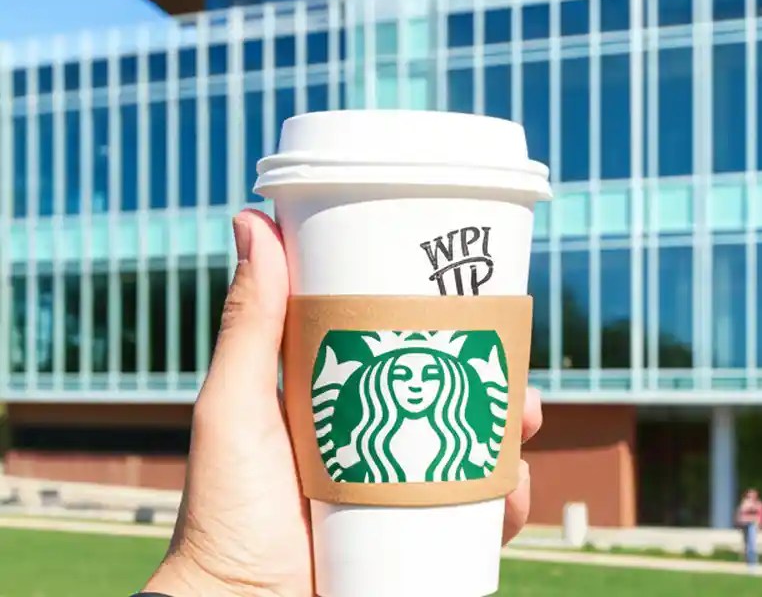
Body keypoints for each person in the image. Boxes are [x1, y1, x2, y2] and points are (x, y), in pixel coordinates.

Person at [137, 210, 544, 595]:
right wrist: (223, 582)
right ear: (379, 383)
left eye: (431, 375)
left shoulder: (458, 444)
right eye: (401, 375)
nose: (416, 386)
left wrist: (218, 586)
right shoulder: (357, 445)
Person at [736, 488, 762, 567]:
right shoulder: (744, 503)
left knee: (752, 545)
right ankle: (747, 562)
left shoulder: (759, 504)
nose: (750, 496)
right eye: (749, 495)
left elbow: (761, 515)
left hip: (753, 525)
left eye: (752, 495)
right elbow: (740, 513)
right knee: (746, 545)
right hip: (744, 525)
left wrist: (760, 525)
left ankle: (753, 562)